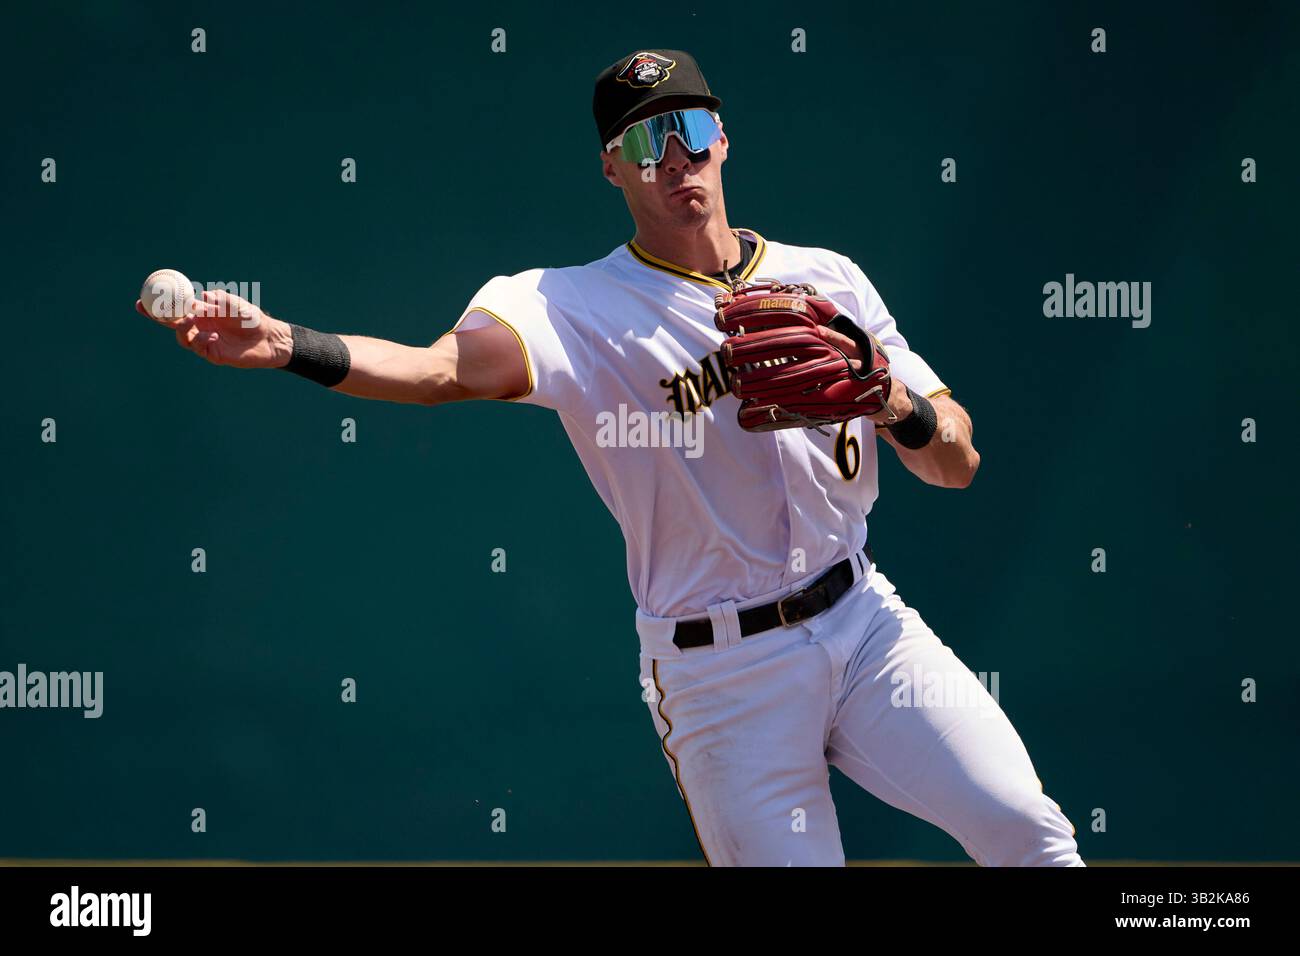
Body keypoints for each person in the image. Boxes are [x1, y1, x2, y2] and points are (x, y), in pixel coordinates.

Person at [137, 49, 1082, 867]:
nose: (674, 158)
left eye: (690, 128)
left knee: (1031, 834)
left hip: (867, 624)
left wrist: (898, 404)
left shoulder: (828, 279)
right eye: (642, 142)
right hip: (722, 675)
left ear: (724, 139)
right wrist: (283, 344)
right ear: (611, 170)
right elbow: (435, 372)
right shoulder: (572, 307)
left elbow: (956, 461)